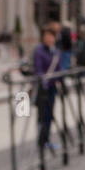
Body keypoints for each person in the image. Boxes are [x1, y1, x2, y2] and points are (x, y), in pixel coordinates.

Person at [32, 25, 61, 153]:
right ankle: (41, 141)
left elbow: (58, 68)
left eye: (51, 36)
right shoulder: (39, 51)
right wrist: (44, 82)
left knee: (49, 115)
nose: (49, 39)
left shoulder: (54, 51)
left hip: (52, 87)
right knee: (42, 115)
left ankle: (46, 139)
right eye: (47, 36)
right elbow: (38, 70)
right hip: (42, 88)